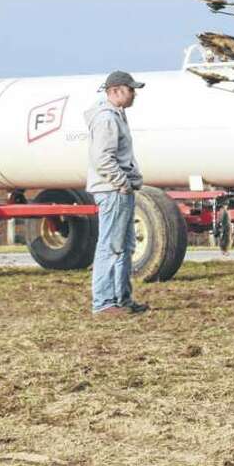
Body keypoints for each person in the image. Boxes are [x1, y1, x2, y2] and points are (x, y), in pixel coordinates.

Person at [85, 70, 147, 317]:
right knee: (111, 246)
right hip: (112, 191)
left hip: (118, 189)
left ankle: (122, 299)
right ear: (115, 91)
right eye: (131, 90)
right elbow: (102, 158)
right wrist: (123, 183)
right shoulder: (106, 119)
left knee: (123, 246)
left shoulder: (115, 116)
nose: (134, 94)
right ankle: (104, 303)